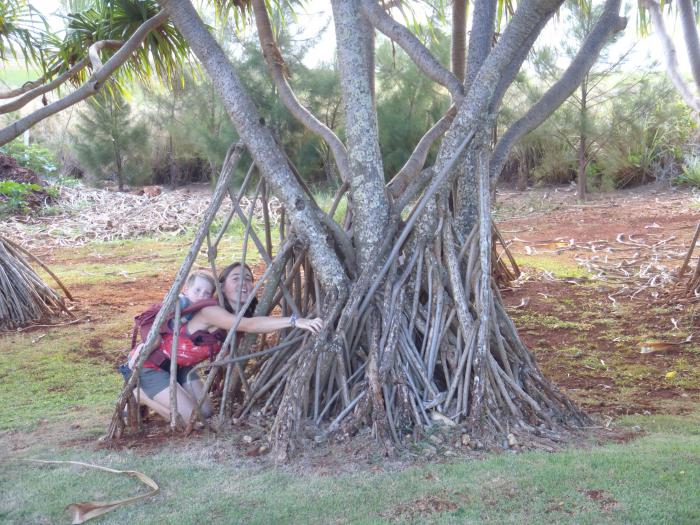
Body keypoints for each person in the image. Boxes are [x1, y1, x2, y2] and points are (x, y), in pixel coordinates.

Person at [132, 262, 323, 424]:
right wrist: (295, 321)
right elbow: (249, 325)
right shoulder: (210, 312)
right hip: (152, 367)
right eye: (236, 278)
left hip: (180, 369)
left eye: (248, 278)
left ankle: (167, 395)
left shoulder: (231, 315)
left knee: (206, 412)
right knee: (190, 419)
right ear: (222, 287)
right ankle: (139, 394)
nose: (244, 283)